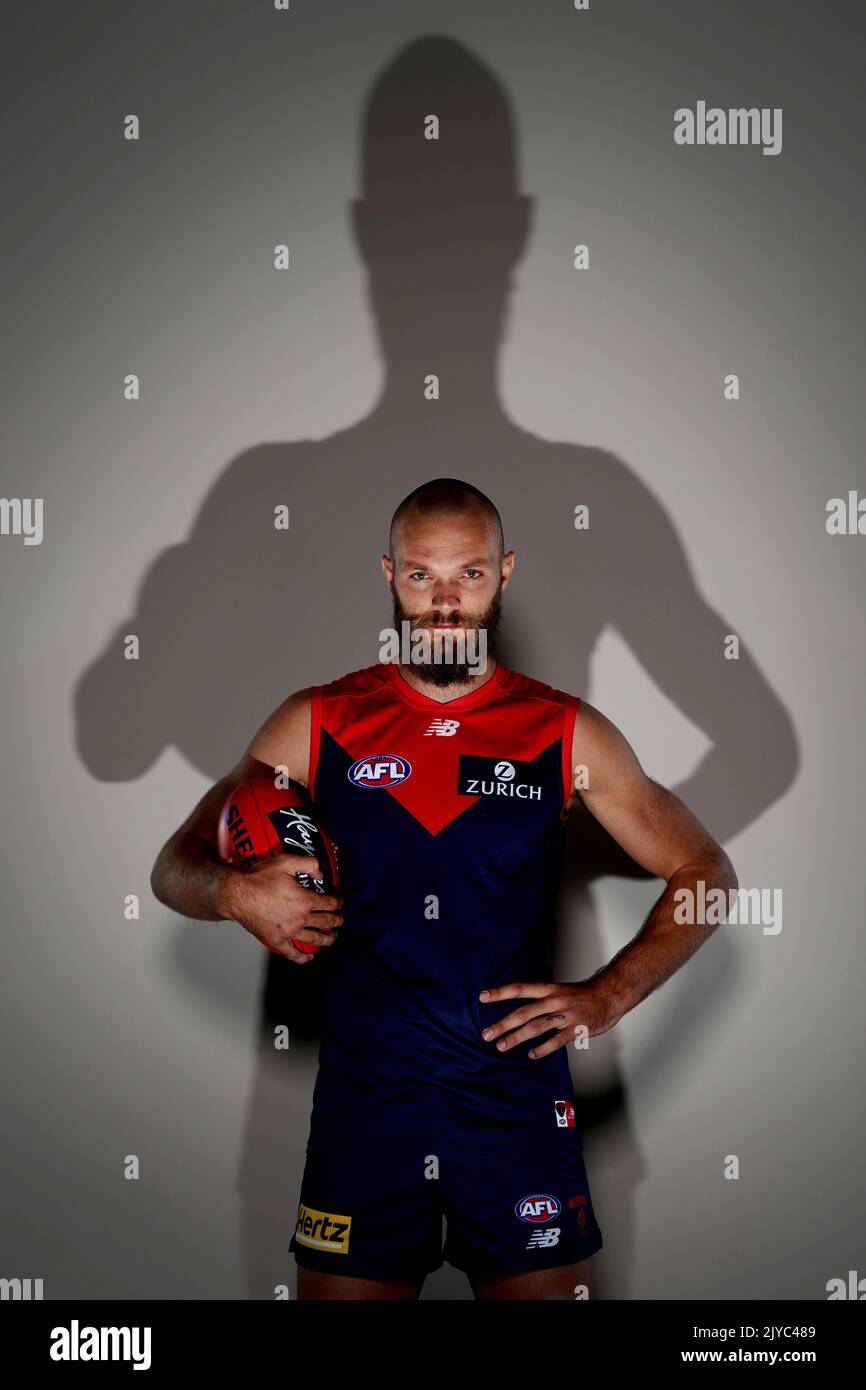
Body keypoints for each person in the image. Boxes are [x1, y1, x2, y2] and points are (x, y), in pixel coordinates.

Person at [150, 477, 737, 1301]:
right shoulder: (317, 721)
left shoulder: (564, 732)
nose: (446, 601)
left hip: (514, 1103)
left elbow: (707, 873)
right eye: (424, 575)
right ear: (390, 575)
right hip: (368, 1104)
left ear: (505, 573)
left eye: (470, 573)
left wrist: (609, 994)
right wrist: (231, 893)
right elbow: (173, 865)